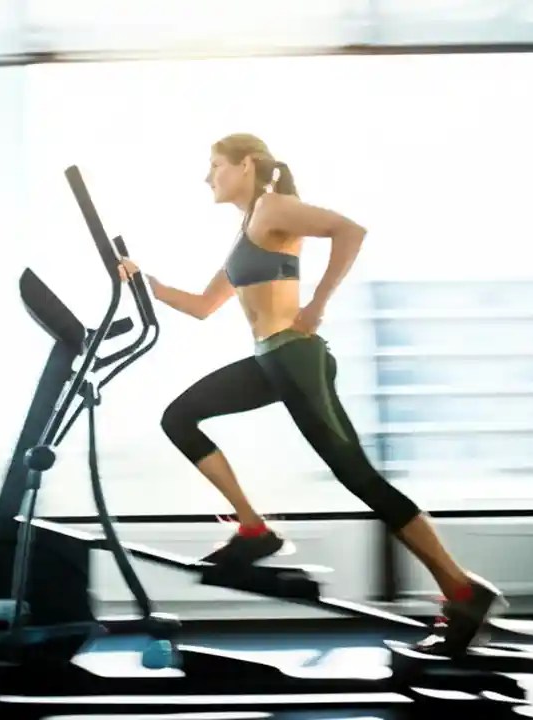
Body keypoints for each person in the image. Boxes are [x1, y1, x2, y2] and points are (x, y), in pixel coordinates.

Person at [116, 132, 504, 653]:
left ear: (246, 164)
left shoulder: (273, 207)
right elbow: (204, 306)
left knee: (358, 478)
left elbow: (349, 231)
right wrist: (144, 282)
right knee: (179, 417)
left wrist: (318, 303)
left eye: (216, 165)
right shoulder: (247, 229)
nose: (208, 177)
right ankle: (253, 529)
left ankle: (461, 590)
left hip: (295, 359)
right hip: (269, 362)